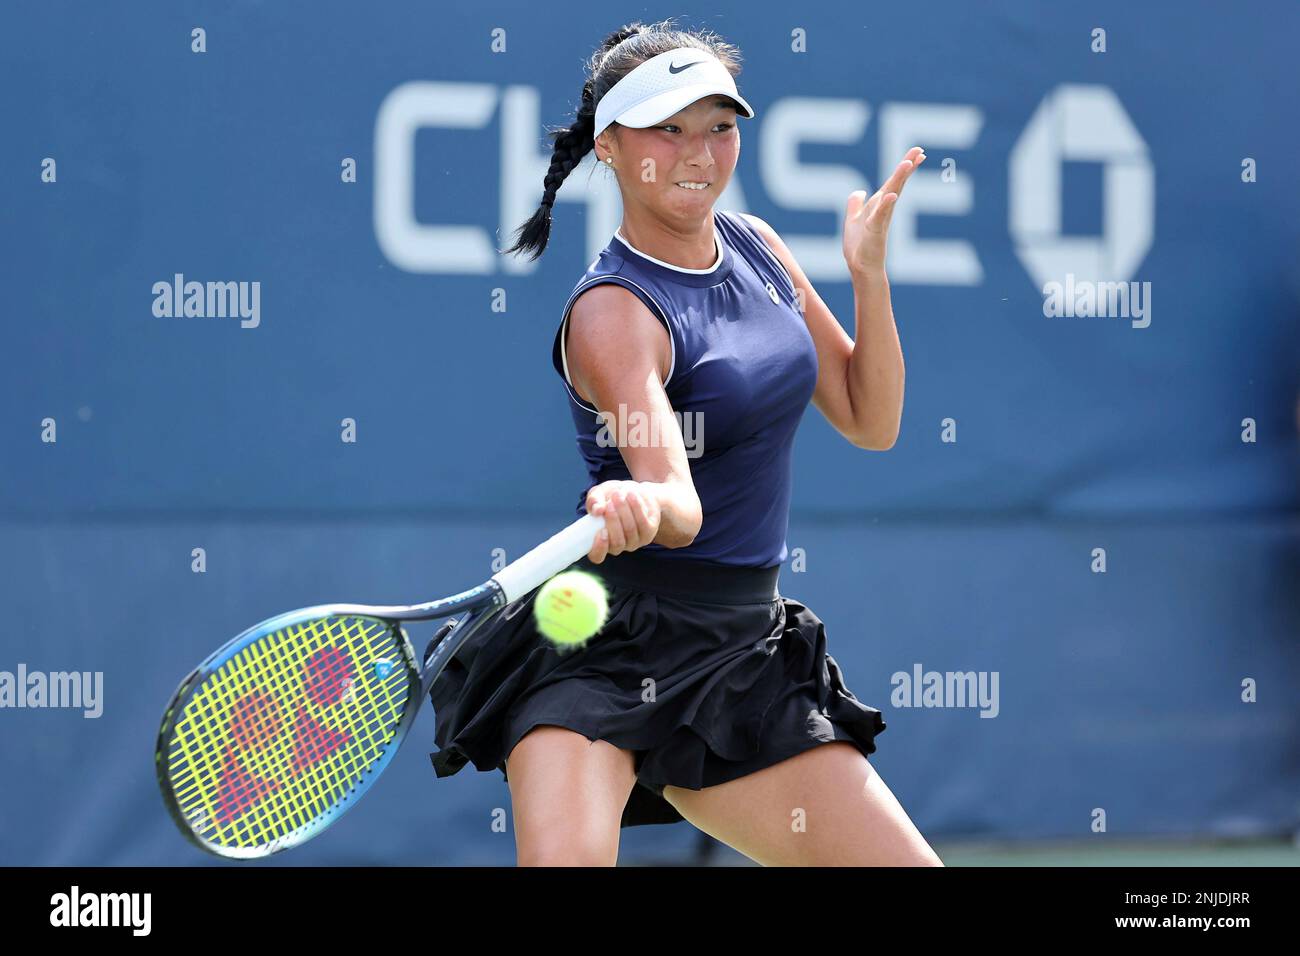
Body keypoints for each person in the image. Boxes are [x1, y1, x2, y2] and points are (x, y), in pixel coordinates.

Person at [427, 18, 942, 867]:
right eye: (668, 128)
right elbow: (679, 502)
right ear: (611, 147)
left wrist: (868, 274)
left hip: (741, 653)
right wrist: (639, 499)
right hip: (598, 652)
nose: (698, 152)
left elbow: (867, 417)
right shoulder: (613, 312)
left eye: (718, 127)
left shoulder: (758, 248)